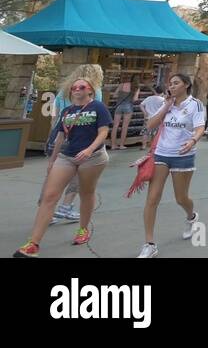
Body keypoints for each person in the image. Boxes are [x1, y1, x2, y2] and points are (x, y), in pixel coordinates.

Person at [14, 76, 112, 257]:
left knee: (86, 193)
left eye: (82, 87)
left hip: (93, 157)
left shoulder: (98, 107)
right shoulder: (67, 111)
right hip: (67, 156)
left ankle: (83, 229)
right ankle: (33, 243)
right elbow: (60, 136)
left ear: (90, 90)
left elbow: (104, 131)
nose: (77, 89)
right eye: (74, 87)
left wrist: (90, 150)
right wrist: (52, 159)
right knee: (50, 196)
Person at [137, 73, 206, 259]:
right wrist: (166, 106)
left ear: (186, 85)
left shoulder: (195, 104)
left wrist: (193, 140)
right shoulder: (165, 103)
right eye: (170, 83)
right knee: (152, 199)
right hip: (161, 154)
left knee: (181, 198)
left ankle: (191, 217)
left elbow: (200, 127)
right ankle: (149, 244)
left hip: (183, 156)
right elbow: (150, 125)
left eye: (176, 83)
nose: (172, 86)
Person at [41, 65, 104, 225]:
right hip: (81, 137)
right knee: (78, 173)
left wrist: (53, 136)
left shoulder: (65, 91)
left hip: (59, 134)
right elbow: (95, 115)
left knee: (52, 175)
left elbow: (54, 117)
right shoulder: (94, 91)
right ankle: (66, 206)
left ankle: (46, 209)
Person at [110, 77, 138, 150]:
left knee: (115, 126)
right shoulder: (136, 87)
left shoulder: (121, 85)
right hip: (128, 107)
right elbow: (135, 99)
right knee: (124, 127)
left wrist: (121, 96)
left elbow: (114, 95)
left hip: (119, 106)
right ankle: (121, 145)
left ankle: (113, 145)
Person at [139, 84, 166, 151]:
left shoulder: (149, 98)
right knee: (154, 133)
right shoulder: (162, 100)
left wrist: (145, 113)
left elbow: (141, 105)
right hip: (156, 118)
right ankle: (152, 145)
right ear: (162, 92)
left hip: (148, 118)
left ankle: (143, 145)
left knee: (145, 132)